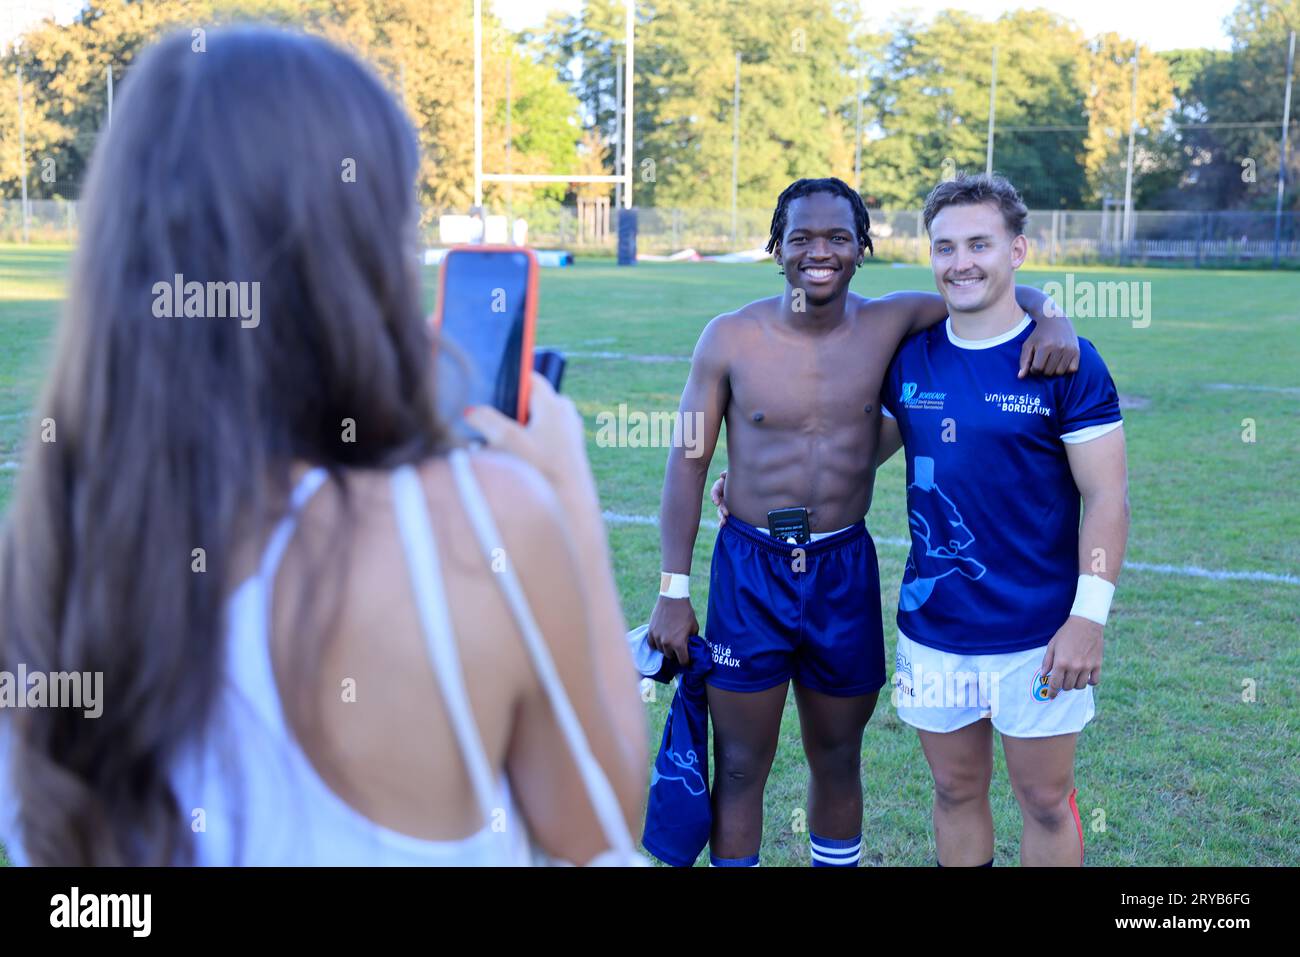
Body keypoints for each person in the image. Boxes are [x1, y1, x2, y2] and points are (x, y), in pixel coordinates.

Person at [0, 26, 645, 867]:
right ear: (357, 245)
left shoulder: (41, 559)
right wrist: (566, 494)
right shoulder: (472, 527)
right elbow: (603, 825)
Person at [648, 176, 1080, 867]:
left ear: (861, 248)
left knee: (839, 755)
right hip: (750, 566)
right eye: (802, 238)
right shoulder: (729, 337)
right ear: (777, 247)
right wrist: (673, 589)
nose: (819, 251)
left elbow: (988, 287)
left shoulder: (891, 320)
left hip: (842, 568)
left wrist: (1053, 312)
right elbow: (688, 462)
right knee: (736, 764)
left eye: (838, 237)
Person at [877, 173, 1129, 866]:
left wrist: (1089, 617)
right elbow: (848, 456)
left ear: (1017, 249)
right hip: (935, 629)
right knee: (955, 788)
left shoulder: (1064, 361)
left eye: (979, 243)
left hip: (1039, 635)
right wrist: (745, 487)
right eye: (945, 246)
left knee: (1045, 799)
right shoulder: (910, 357)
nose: (961, 261)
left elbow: (1108, 498)